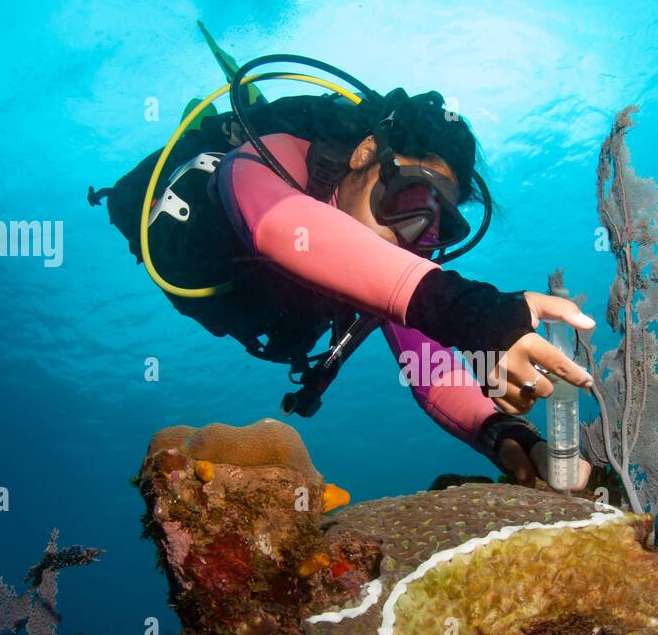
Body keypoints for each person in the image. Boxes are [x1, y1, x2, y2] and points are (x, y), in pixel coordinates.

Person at [100, 85, 595, 490]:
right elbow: (274, 221)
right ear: (363, 154)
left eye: (433, 228)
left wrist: (503, 433)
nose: (412, 234)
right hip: (185, 237)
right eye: (412, 197)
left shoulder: (392, 269)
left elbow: (430, 369)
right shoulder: (279, 157)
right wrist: (478, 314)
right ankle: (237, 108)